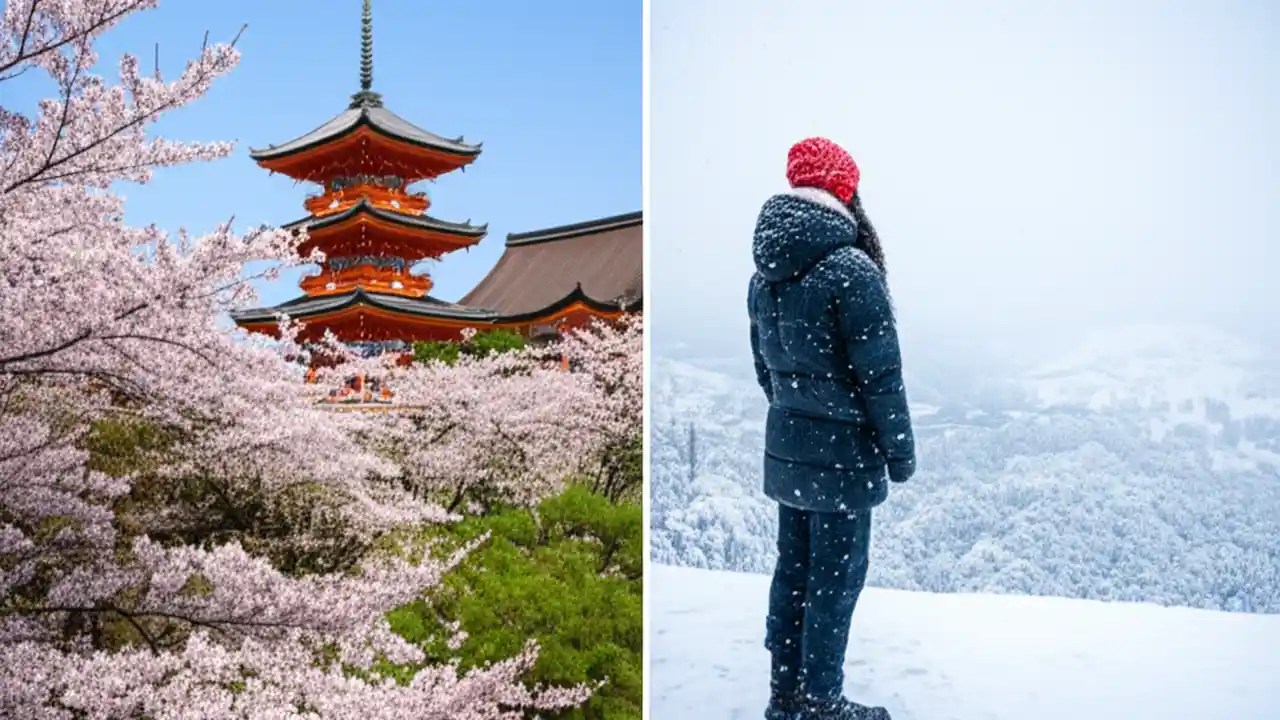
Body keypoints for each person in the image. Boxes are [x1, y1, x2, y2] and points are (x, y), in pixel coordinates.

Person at [748, 137, 915, 720]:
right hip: (843, 461)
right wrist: (900, 454)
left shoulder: (765, 274)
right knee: (834, 582)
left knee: (793, 572)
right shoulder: (852, 271)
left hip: (790, 455)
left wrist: (798, 421)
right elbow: (881, 379)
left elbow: (766, 372)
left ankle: (784, 695)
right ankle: (821, 701)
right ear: (845, 192)